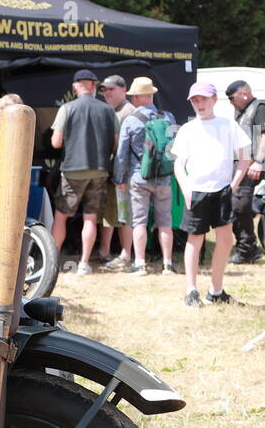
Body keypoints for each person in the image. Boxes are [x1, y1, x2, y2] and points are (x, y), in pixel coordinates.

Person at [170, 81, 251, 306]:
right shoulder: (187, 129)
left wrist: (233, 185)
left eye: (203, 99)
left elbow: (245, 157)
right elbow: (179, 164)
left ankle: (216, 290)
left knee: (225, 240)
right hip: (196, 191)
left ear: (214, 100)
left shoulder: (229, 125)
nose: (199, 104)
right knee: (195, 240)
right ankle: (191, 290)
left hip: (222, 190)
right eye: (195, 100)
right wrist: (186, 188)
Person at [50, 69, 119, 274]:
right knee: (90, 217)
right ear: (94, 86)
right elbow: (115, 144)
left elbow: (56, 142)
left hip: (72, 171)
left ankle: (52, 263)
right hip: (99, 170)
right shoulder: (108, 110)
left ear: (75, 87)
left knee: (61, 216)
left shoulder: (67, 108)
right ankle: (84, 264)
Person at [115, 77, 177, 275]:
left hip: (138, 178)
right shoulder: (168, 117)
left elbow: (121, 153)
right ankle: (168, 264)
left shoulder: (131, 120)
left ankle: (140, 264)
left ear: (138, 97)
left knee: (139, 221)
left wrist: (119, 179)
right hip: (164, 178)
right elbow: (173, 147)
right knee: (165, 222)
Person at [225, 80, 265, 264]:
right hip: (242, 164)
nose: (230, 102)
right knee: (236, 204)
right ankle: (247, 247)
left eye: (232, 98)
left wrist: (259, 161)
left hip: (252, 165)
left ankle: (247, 249)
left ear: (244, 94)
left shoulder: (260, 109)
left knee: (239, 204)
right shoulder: (244, 111)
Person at [98, 75, 136, 267]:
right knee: (111, 212)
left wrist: (120, 175)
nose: (106, 93)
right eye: (104, 90)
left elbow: (122, 148)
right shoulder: (113, 111)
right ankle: (105, 251)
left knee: (124, 214)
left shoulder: (128, 112)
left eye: (111, 89)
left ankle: (126, 254)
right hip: (114, 171)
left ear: (124, 89)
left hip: (124, 173)